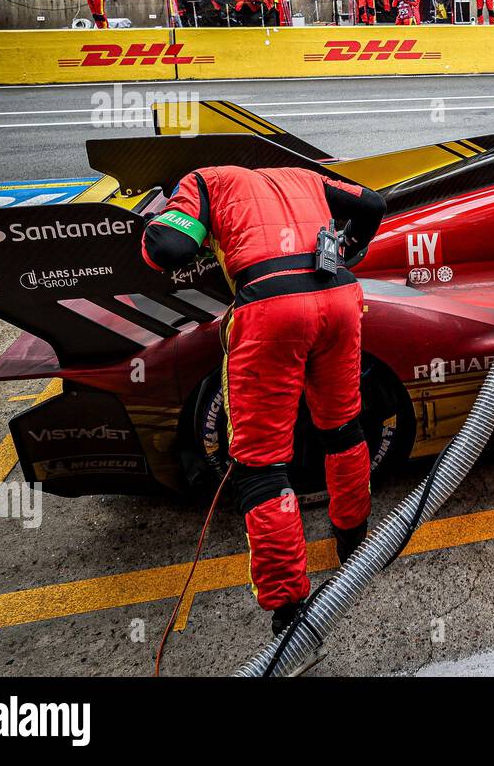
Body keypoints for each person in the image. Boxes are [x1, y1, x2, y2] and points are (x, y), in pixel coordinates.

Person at [140, 165, 386, 635]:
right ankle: (354, 542)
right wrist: (347, 249)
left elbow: (170, 248)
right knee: (342, 427)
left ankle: (290, 615)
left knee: (261, 464)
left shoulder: (203, 181)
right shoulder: (302, 176)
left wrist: (153, 226)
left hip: (270, 310)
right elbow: (372, 204)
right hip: (339, 296)